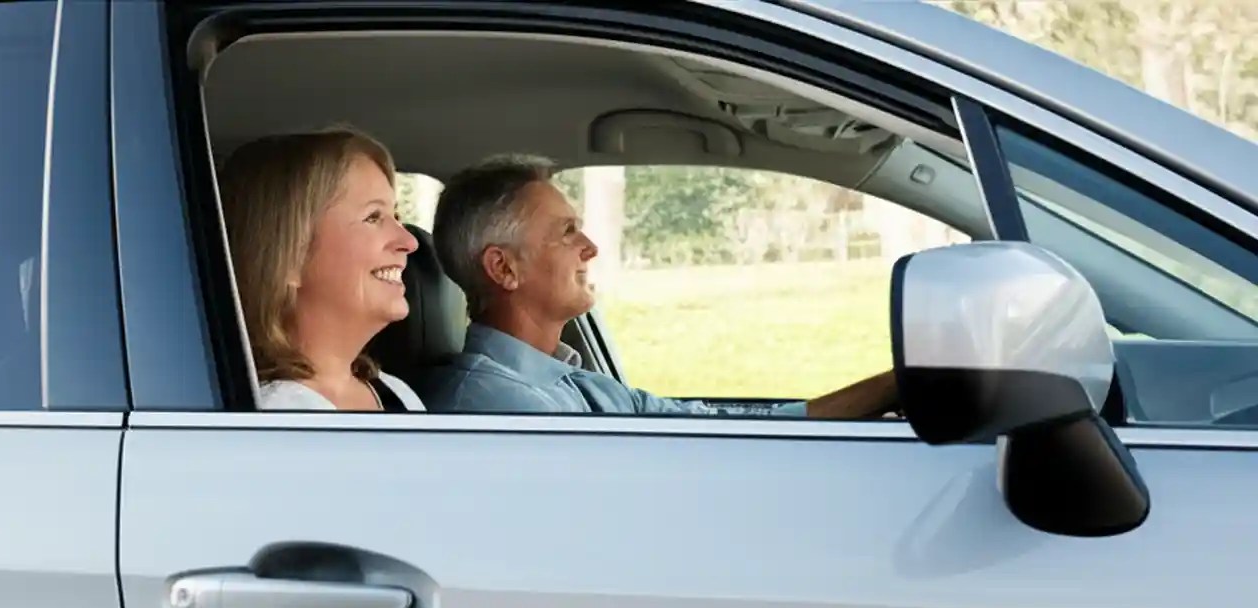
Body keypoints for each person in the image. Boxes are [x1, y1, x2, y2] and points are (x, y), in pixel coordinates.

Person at [421, 154, 897, 419]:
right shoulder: (492, 407)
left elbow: (729, 434)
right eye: (567, 232)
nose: (590, 247)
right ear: (504, 269)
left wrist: (896, 385)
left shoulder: (584, 386)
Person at [219, 128, 426, 411]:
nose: (409, 242)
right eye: (373, 217)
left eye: (397, 216)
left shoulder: (396, 394)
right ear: (290, 256)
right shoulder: (273, 416)